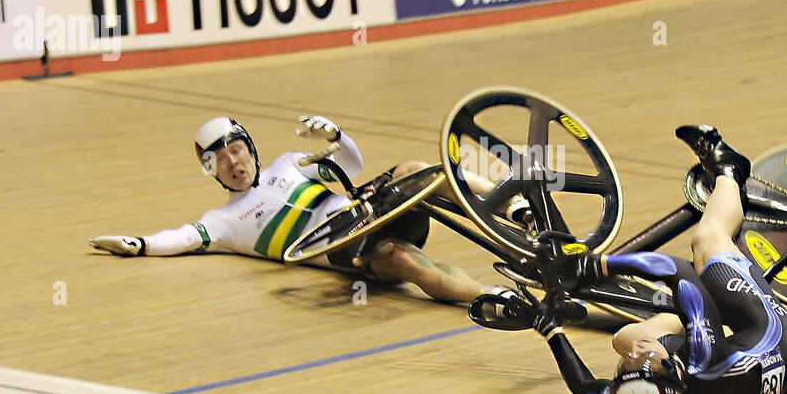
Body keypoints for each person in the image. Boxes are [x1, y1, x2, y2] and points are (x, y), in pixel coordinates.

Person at [484, 126, 787, 394]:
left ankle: (700, 314)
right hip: (777, 342)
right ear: (674, 370)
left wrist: (551, 331)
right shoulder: (705, 361)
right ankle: (730, 171)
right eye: (643, 358)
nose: (634, 353)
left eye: (625, 367)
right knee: (705, 240)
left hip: (733, 387)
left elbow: (586, 390)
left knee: (623, 336)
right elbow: (679, 270)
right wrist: (597, 265)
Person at [90, 115, 525, 305]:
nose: (234, 163)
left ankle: (516, 208)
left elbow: (350, 167)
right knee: (401, 260)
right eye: (222, 161)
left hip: (364, 207)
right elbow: (181, 239)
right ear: (212, 171)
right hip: (346, 246)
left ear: (251, 150)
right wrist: (141, 244)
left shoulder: (288, 162)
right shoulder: (219, 223)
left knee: (420, 170)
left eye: (238, 151)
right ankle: (496, 297)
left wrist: (339, 136)